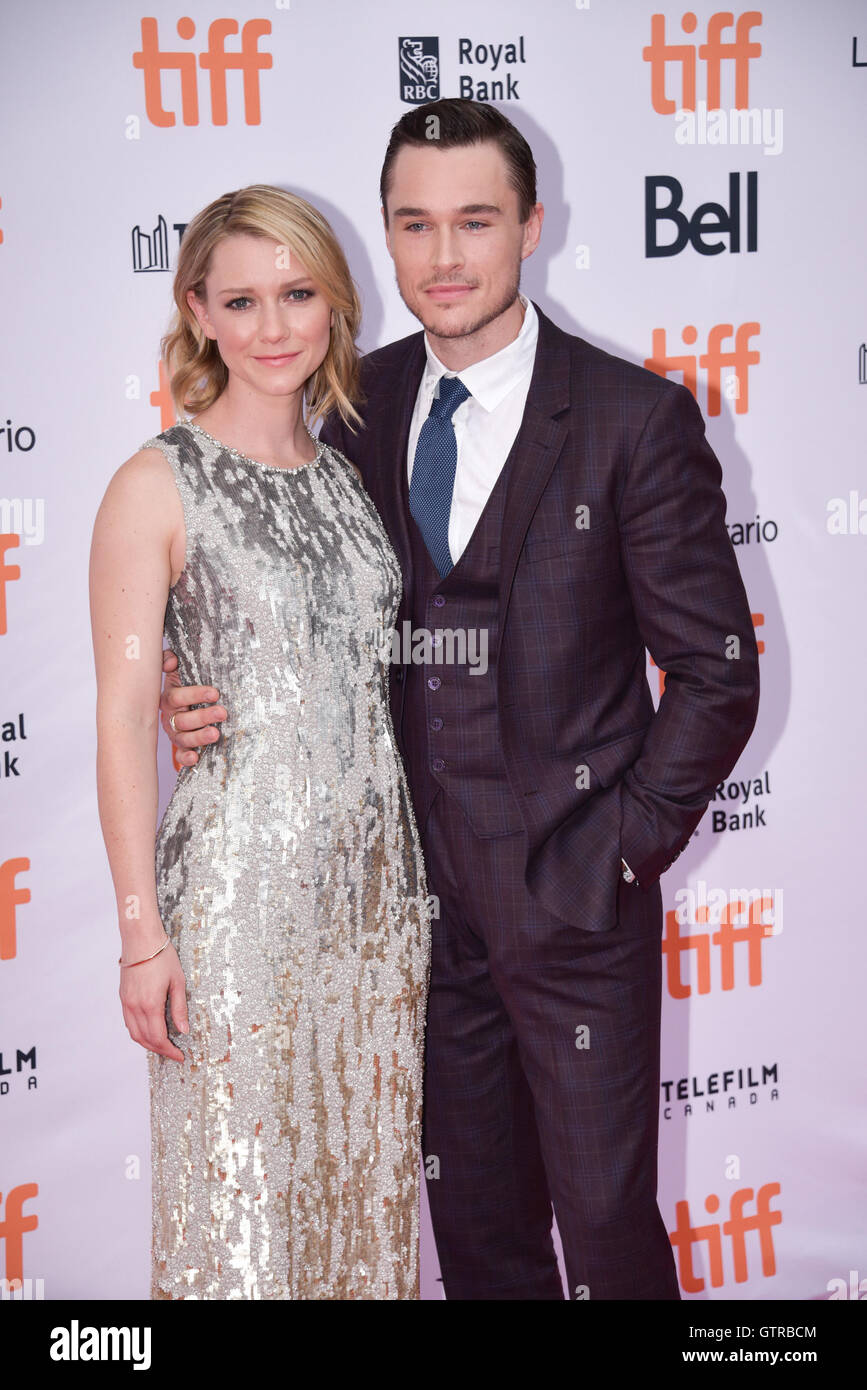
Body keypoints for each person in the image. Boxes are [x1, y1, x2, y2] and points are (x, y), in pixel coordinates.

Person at [160, 101, 760, 1300]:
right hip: (407, 914)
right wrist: (195, 693)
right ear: (384, 237)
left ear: (532, 227)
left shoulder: (635, 420)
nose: (443, 257)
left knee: (604, 1231)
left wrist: (617, 853)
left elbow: (716, 672)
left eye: (475, 221)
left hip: (577, 910)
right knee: (478, 1236)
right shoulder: (352, 411)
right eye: (414, 223)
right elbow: (290, 607)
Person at [90, 185, 430, 1300]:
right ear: (198, 311)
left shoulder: (349, 475)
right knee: (236, 1212)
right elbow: (121, 714)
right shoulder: (155, 483)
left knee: (358, 1190)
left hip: (376, 903)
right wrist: (144, 937)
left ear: (334, 303)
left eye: (297, 294)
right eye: (242, 299)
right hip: (236, 900)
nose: (275, 326)